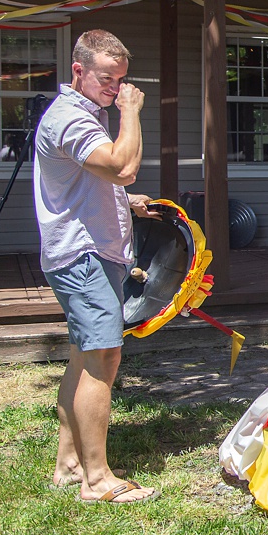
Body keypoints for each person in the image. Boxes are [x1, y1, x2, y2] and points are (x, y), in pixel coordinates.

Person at [34, 29, 159, 504]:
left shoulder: (85, 114)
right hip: (82, 255)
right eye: (108, 79)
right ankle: (97, 480)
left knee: (84, 356)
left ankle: (69, 465)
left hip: (93, 250)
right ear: (78, 71)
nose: (115, 88)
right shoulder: (71, 118)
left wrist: (125, 202)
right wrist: (130, 112)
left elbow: (97, 180)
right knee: (104, 358)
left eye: (121, 81)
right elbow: (121, 166)